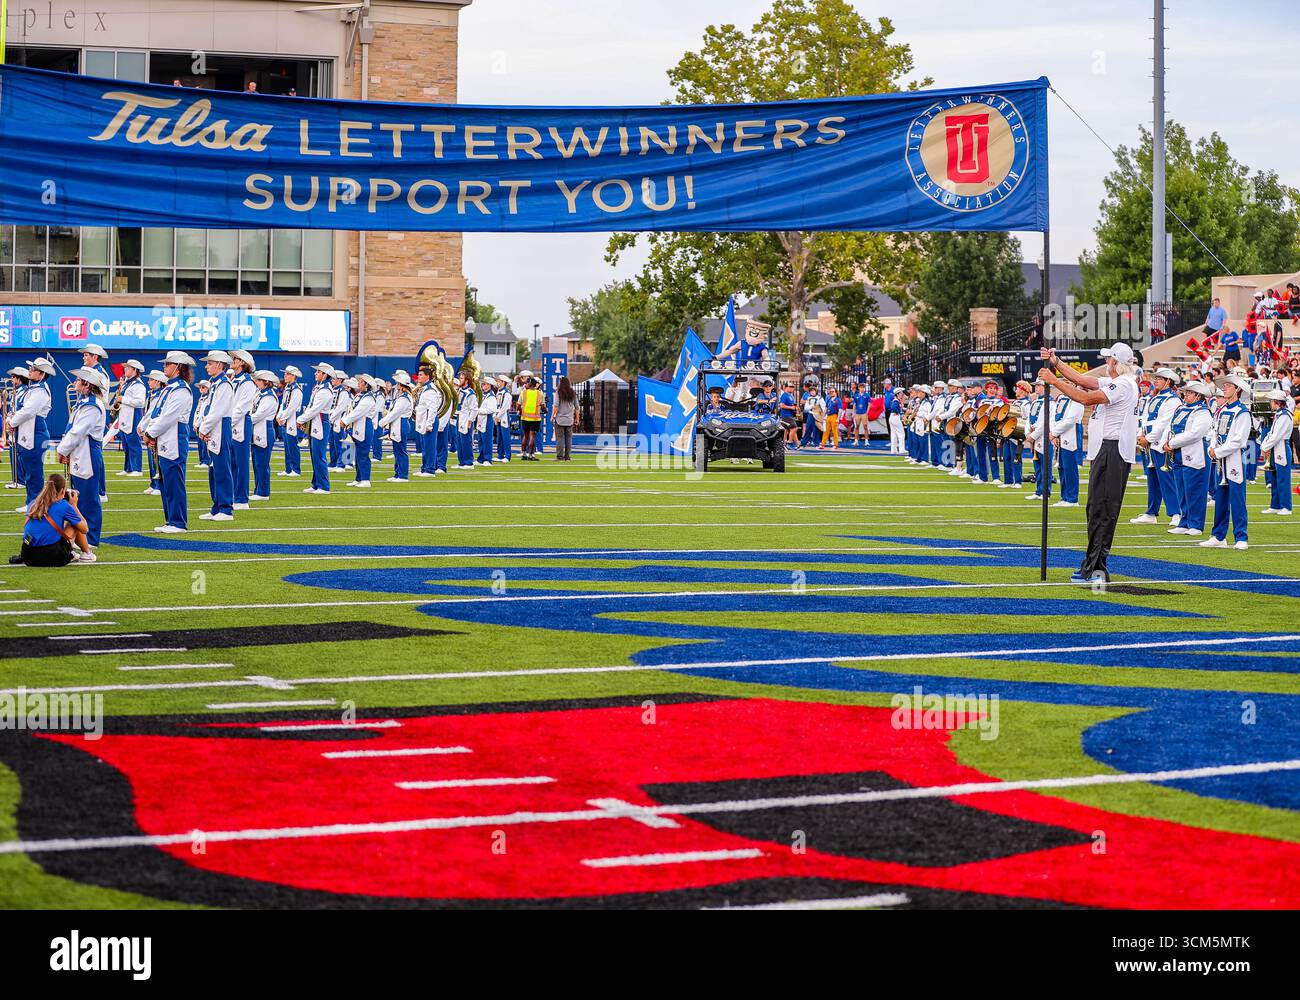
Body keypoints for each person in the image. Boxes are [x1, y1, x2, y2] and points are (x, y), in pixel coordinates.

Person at [1038, 342, 1139, 585]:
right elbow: (1085, 382)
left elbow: (1085, 397)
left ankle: (1095, 568)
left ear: (1115, 362)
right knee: (1095, 509)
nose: (1106, 363)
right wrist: (1057, 362)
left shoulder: (1124, 385)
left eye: (1108, 359)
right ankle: (1092, 564)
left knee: (1102, 510)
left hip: (1112, 450)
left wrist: (1055, 381)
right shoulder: (1118, 382)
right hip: (1105, 449)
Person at [140, 351, 196, 533]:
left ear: (178, 367)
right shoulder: (169, 388)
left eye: (167, 364)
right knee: (165, 481)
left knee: (174, 480)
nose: (164, 367)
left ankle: (178, 522)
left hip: (174, 438)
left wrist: (150, 433)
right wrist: (144, 427)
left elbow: (169, 417)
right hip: (165, 436)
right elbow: (156, 412)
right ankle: (170, 520)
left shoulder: (181, 389)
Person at [55, 366, 108, 553]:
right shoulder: (84, 403)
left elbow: (78, 432)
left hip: (88, 454)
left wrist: (62, 449)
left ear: (87, 384)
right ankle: (81, 535)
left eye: (79, 380)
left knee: (88, 498)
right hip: (80, 452)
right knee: (78, 496)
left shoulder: (92, 406)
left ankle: (91, 537)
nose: (75, 382)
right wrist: (67, 451)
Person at [1202, 374, 1252, 550]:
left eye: (1228, 386)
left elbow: (1239, 440)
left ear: (1237, 389)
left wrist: (1218, 451)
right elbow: (1215, 432)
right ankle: (1218, 535)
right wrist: (1212, 447)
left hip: (1234, 460)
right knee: (1221, 498)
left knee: (1237, 499)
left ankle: (1241, 537)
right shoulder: (1222, 410)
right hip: (1220, 460)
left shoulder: (1243, 412)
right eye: (1224, 386)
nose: (1225, 389)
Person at [1161, 379, 1214, 538]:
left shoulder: (1202, 412)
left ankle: (1196, 524)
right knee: (1182, 489)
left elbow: (1195, 434)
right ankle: (1184, 521)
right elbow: (1171, 427)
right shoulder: (1182, 409)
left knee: (1195, 490)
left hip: (1194, 453)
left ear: (1198, 395)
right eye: (1186, 392)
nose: (1186, 395)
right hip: (1178, 453)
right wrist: (1166, 442)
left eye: (1190, 393)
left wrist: (1172, 442)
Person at [6, 357, 54, 513]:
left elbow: (28, 411)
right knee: (28, 472)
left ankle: (37, 504)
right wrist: (11, 419)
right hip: (27, 431)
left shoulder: (40, 390)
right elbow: (22, 409)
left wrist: (12, 423)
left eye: (33, 369)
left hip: (35, 432)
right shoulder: (33, 388)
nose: (30, 371)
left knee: (34, 473)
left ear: (41, 374)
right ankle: (31, 502)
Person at [12, 473, 92, 566]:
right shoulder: (64, 505)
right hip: (53, 557)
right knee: (74, 524)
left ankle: (73, 553)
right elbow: (84, 529)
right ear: (62, 490)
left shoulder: (34, 503)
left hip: (28, 556)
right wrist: (74, 506)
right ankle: (87, 554)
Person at [196, 351, 236, 521]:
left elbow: (218, 410)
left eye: (210, 363)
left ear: (220, 365)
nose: (206, 366)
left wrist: (204, 428)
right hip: (214, 427)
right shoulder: (216, 383)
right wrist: (205, 427)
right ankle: (217, 506)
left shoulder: (224, 384)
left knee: (222, 469)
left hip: (221, 426)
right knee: (214, 469)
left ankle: (226, 509)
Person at [79, 343, 113, 503]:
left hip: (94, 411)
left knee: (95, 452)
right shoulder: (87, 370)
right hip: (85, 409)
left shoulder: (101, 374)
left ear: (95, 357)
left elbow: (102, 398)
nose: (83, 357)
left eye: (86, 355)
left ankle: (101, 490)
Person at [297, 363, 335, 494]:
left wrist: (300, 419)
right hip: (315, 421)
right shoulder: (319, 388)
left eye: (318, 372)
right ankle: (316, 483)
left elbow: (315, 409)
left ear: (325, 375)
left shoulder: (325, 390)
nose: (315, 373)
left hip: (321, 421)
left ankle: (324, 486)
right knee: (314, 455)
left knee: (319, 455)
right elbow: (310, 406)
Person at [228, 349, 256, 511]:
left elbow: (241, 407)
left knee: (241, 462)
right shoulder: (234, 380)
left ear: (242, 363)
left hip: (240, 422)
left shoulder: (247, 382)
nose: (233, 360)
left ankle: (242, 498)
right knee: (231, 462)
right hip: (232, 422)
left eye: (236, 359)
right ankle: (233, 495)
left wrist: (228, 423)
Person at [1258, 388, 1294, 516]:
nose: (1270, 403)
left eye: (1272, 401)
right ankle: (1275, 505)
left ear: (1277, 402)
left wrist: (1265, 447)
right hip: (1276, 448)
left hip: (1281, 448)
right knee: (1274, 477)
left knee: (1283, 478)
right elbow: (1271, 433)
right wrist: (1264, 445)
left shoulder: (1284, 415)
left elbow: (1276, 435)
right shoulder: (1279, 414)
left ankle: (1286, 506)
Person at [249, 370, 279, 501]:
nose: (256, 382)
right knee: (256, 461)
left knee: (262, 462)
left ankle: (263, 492)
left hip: (265, 429)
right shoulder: (260, 394)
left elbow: (259, 414)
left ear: (266, 382)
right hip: (258, 428)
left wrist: (244, 421)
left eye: (259, 380)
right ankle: (258, 489)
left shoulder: (269, 396)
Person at [115, 359, 147, 478]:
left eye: (128, 368)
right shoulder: (128, 383)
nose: (125, 369)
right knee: (126, 443)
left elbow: (140, 402)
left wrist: (122, 399)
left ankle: (137, 469)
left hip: (134, 416)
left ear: (135, 370)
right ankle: (128, 468)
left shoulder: (138, 384)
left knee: (134, 443)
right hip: (125, 416)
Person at [380, 372, 414, 482]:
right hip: (397, 423)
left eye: (398, 383)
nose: (396, 385)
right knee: (397, 450)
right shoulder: (402, 396)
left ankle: (403, 475)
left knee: (401, 450)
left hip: (401, 423)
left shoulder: (404, 398)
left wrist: (382, 422)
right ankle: (398, 473)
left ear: (401, 385)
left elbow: (395, 413)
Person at [342, 374, 376, 487]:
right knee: (357, 453)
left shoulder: (369, 397)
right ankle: (359, 478)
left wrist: (345, 421)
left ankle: (366, 479)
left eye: (361, 382)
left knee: (363, 453)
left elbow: (359, 411)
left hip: (365, 425)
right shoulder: (360, 395)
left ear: (366, 385)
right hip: (358, 425)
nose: (358, 383)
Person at [277, 365, 304, 478]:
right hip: (285, 420)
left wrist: (282, 418)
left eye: (287, 374)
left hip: (292, 420)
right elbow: (283, 404)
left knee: (292, 445)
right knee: (287, 445)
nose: (285, 375)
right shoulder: (288, 388)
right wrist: (279, 415)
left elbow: (292, 406)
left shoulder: (296, 389)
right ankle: (288, 468)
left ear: (293, 376)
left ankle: (296, 469)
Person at [517, 373, 544, 461]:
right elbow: (543, 406)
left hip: (525, 417)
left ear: (529, 384)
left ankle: (524, 453)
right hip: (535, 418)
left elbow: (518, 405)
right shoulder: (539, 393)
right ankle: (531, 455)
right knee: (532, 436)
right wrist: (545, 410)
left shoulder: (523, 393)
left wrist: (520, 411)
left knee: (525, 435)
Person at [553, 376, 577, 461]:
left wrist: (552, 416)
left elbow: (556, 406)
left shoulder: (558, 392)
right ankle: (567, 457)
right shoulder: (572, 392)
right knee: (568, 439)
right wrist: (577, 419)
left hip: (560, 419)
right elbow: (577, 407)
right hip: (570, 419)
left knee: (559, 439)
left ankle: (559, 457)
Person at [475, 376, 497, 467]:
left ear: (489, 385)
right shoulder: (483, 395)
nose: (482, 385)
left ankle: (487, 459)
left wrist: (478, 411)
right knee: (480, 440)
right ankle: (481, 459)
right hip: (481, 419)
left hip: (487, 419)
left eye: (484, 384)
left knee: (487, 440)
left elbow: (492, 409)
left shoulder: (491, 396)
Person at [495, 376, 514, 462]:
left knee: (505, 437)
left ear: (503, 382)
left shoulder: (507, 394)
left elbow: (504, 407)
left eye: (499, 381)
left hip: (503, 417)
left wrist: (497, 416)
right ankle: (500, 455)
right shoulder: (498, 392)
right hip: (498, 416)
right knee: (499, 437)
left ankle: (507, 456)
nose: (497, 382)